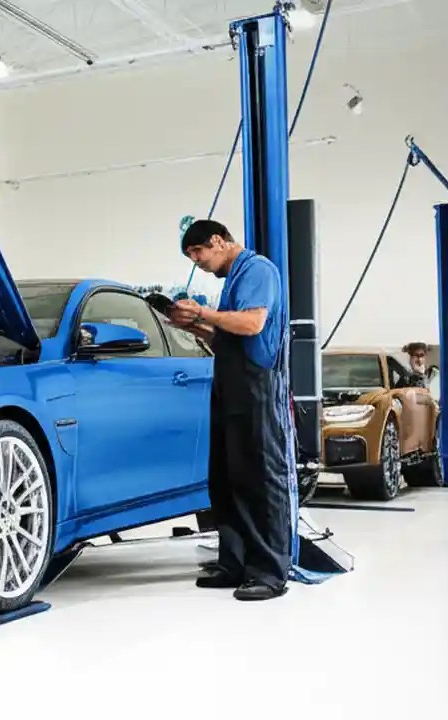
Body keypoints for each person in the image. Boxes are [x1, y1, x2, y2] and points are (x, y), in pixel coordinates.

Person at [167, 220, 293, 601]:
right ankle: (235, 563)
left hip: (257, 386)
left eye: (198, 253)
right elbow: (227, 335)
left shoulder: (257, 269)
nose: (198, 262)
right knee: (226, 477)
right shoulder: (233, 280)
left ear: (218, 241)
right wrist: (192, 326)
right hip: (230, 385)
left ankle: (270, 572)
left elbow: (253, 323)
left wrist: (203, 313)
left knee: (259, 477)